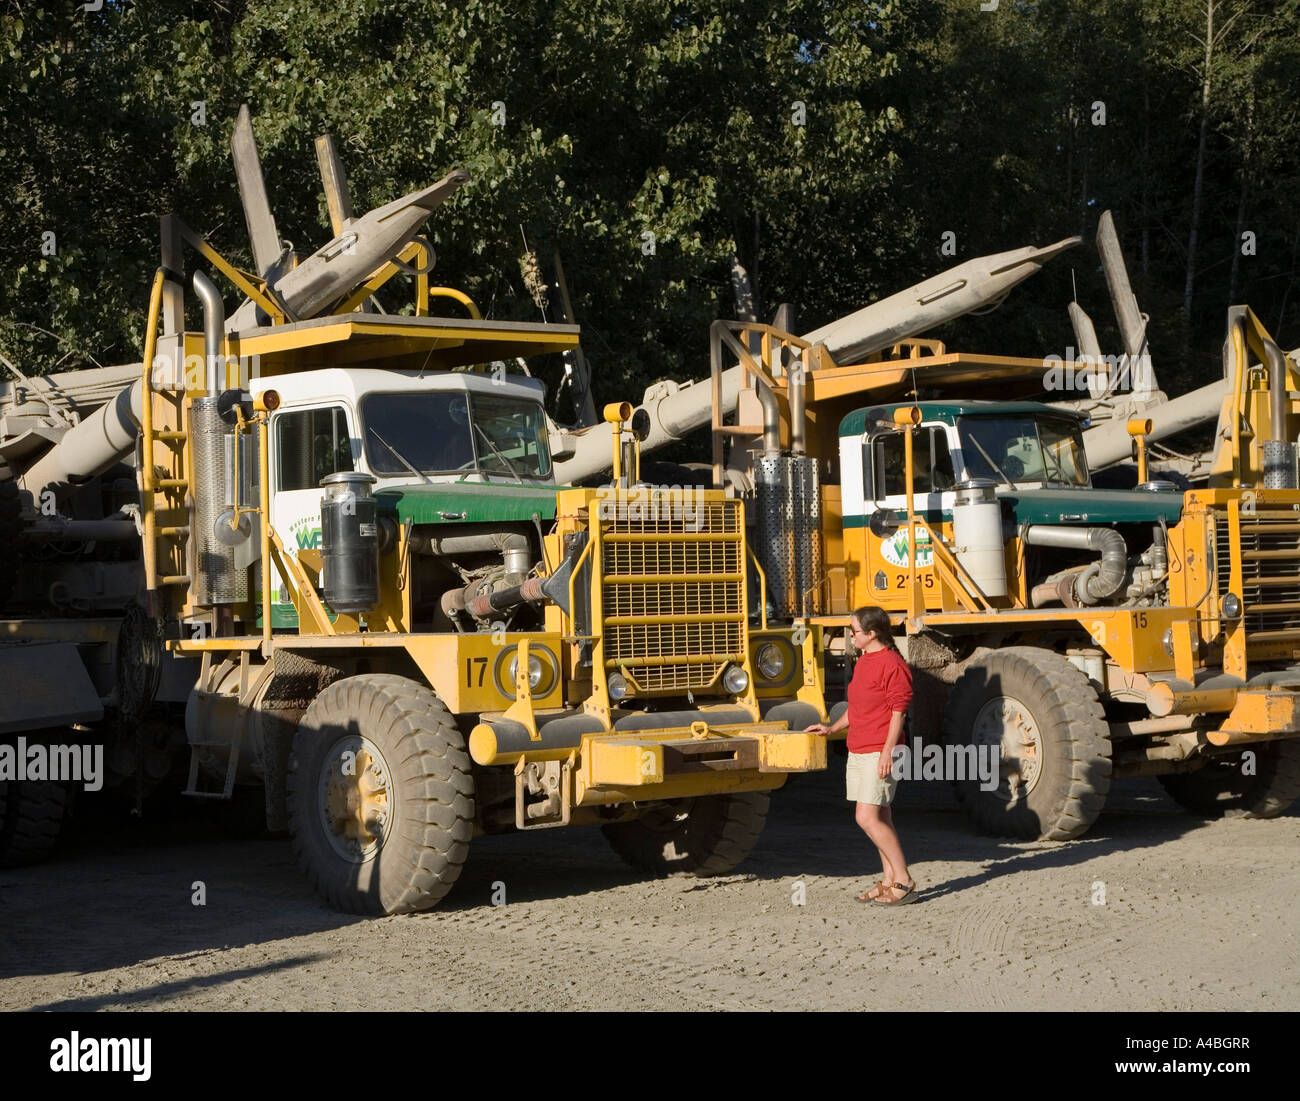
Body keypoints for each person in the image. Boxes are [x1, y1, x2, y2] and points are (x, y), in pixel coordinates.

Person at [805, 605, 917, 905]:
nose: (850, 634)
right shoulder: (866, 660)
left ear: (872, 633)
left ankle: (904, 880)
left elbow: (898, 713)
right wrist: (831, 728)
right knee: (881, 815)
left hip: (880, 751)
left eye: (854, 631)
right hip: (859, 748)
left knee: (866, 817)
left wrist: (887, 753)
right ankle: (889, 880)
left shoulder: (892, 665)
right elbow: (857, 708)